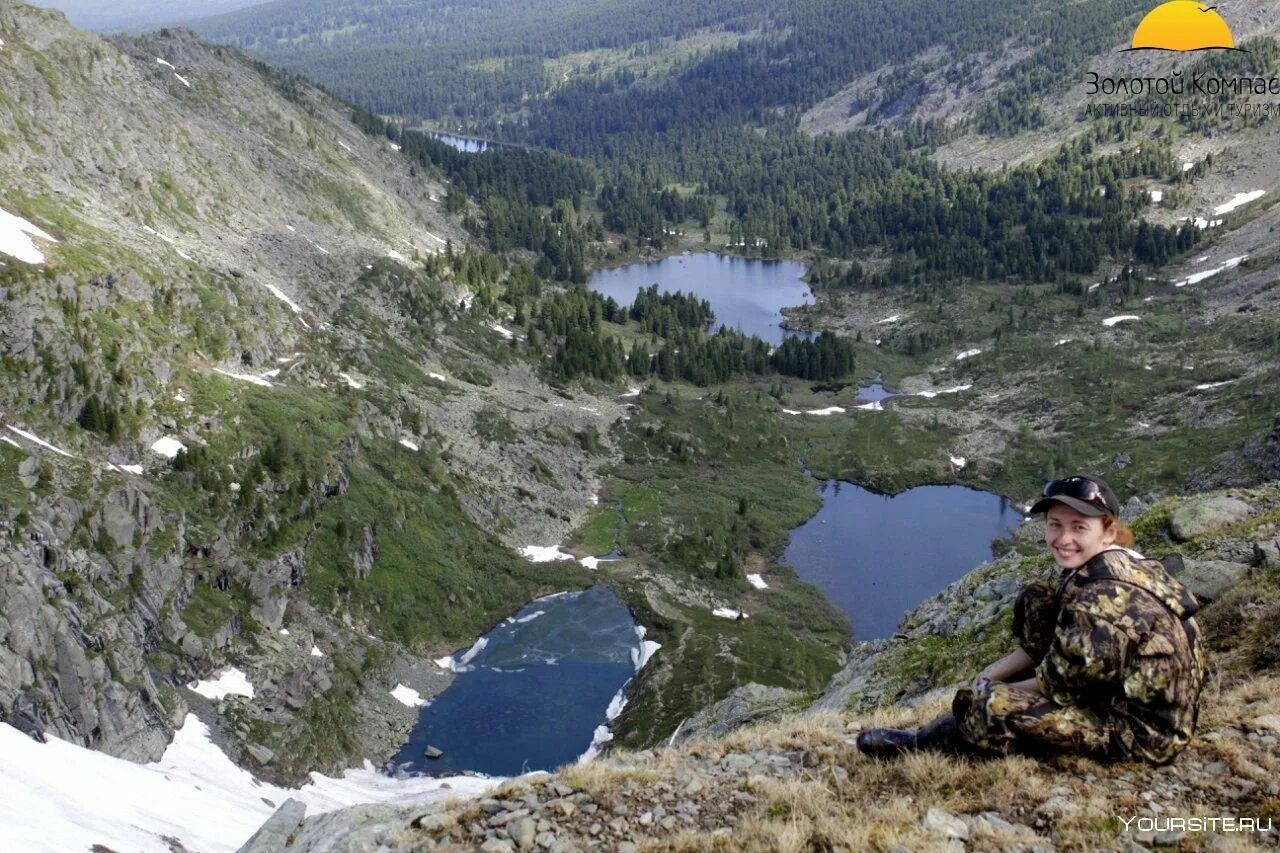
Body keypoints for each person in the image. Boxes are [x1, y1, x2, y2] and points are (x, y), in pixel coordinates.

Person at [856, 474, 1206, 764]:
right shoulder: (1121, 563)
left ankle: (922, 746)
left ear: (1108, 531)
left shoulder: (1100, 601)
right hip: (1122, 688)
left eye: (1079, 527)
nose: (1063, 539)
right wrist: (989, 674)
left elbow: (1057, 686)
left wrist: (991, 691)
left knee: (989, 706)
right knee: (1038, 599)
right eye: (1055, 525)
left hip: (1142, 733)